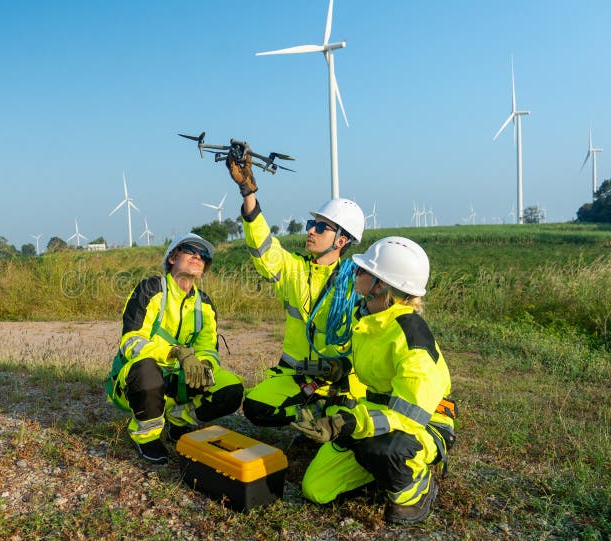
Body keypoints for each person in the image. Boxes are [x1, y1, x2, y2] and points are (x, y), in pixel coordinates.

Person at [291, 236, 456, 524]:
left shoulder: (411, 337)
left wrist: (348, 423)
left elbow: (409, 415)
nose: (354, 274)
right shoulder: (369, 318)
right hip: (378, 414)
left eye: (362, 271)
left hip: (424, 424)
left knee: (382, 448)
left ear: (382, 285)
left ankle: (414, 490)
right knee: (316, 489)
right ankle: (377, 471)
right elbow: (368, 364)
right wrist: (338, 367)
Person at [226, 153, 367, 428]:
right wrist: (248, 195)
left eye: (320, 227)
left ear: (341, 240)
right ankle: (312, 414)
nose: (310, 231)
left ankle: (332, 415)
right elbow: (263, 248)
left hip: (343, 381)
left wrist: (343, 369)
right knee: (256, 407)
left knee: (348, 424)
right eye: (310, 225)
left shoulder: (358, 283)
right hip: (297, 376)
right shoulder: (294, 269)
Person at [105, 233, 245, 464]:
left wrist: (203, 366)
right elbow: (132, 341)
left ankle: (178, 420)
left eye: (204, 255)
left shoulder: (205, 304)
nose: (198, 256)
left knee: (231, 389)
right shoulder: (151, 289)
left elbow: (208, 348)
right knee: (147, 369)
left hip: (179, 381)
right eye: (190, 249)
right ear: (172, 257)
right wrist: (176, 352)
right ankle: (147, 436)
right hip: (138, 381)